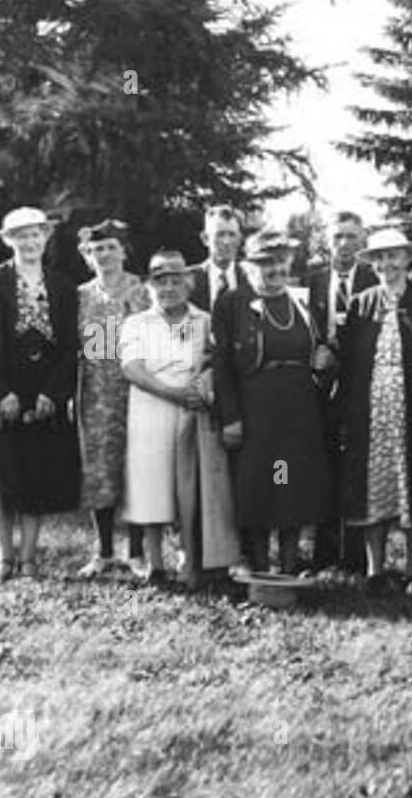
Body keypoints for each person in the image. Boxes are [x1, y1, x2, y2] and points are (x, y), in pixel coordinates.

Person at [0, 206, 81, 582]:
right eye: (21, 235)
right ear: (9, 240)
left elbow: (70, 348)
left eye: (36, 234)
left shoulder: (63, 286)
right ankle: (5, 557)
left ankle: (29, 559)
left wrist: (53, 392)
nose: (30, 242)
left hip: (44, 389)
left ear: (46, 237)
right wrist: (2, 393)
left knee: (37, 473)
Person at [212, 228, 334, 574]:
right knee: (260, 483)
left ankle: (290, 565)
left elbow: (320, 351)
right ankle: (261, 564)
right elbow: (221, 365)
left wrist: (325, 362)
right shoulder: (232, 303)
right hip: (256, 406)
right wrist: (231, 416)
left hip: (298, 406)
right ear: (250, 267)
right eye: (266, 264)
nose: (276, 271)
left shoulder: (301, 301)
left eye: (281, 262)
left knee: (289, 481)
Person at [120, 251, 240, 586]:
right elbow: (132, 368)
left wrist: (202, 384)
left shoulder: (202, 320)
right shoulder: (137, 322)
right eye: (161, 282)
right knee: (150, 484)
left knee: (190, 487)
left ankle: (190, 561)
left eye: (176, 281)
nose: (169, 289)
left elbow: (215, 360)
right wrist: (170, 393)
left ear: (188, 284)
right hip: (150, 409)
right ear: (149, 286)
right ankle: (155, 563)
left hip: (193, 411)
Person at [339, 228, 412, 590]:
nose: (387, 264)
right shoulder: (362, 303)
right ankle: (375, 569)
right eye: (379, 258)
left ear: (407, 259)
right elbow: (350, 361)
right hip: (372, 411)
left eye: (393, 256)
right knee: (373, 485)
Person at [73, 218, 152, 578]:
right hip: (96, 394)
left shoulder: (142, 291)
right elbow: (71, 350)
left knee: (136, 468)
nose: (104, 254)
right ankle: (103, 551)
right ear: (88, 255)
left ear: (123, 251)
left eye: (110, 247)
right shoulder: (82, 295)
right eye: (97, 249)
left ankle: (137, 552)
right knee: (99, 472)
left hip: (137, 391)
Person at [304, 210, 379, 576]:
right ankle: (323, 552)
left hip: (363, 384)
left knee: (356, 466)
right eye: (338, 237)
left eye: (351, 236)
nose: (344, 244)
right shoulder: (311, 281)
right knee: (322, 464)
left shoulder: (373, 278)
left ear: (363, 240)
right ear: (326, 241)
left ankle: (355, 557)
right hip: (319, 386)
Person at [187, 205, 249, 312]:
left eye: (232, 235)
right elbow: (179, 322)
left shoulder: (251, 278)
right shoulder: (188, 281)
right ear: (205, 239)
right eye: (220, 235)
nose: (226, 242)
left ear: (239, 239)